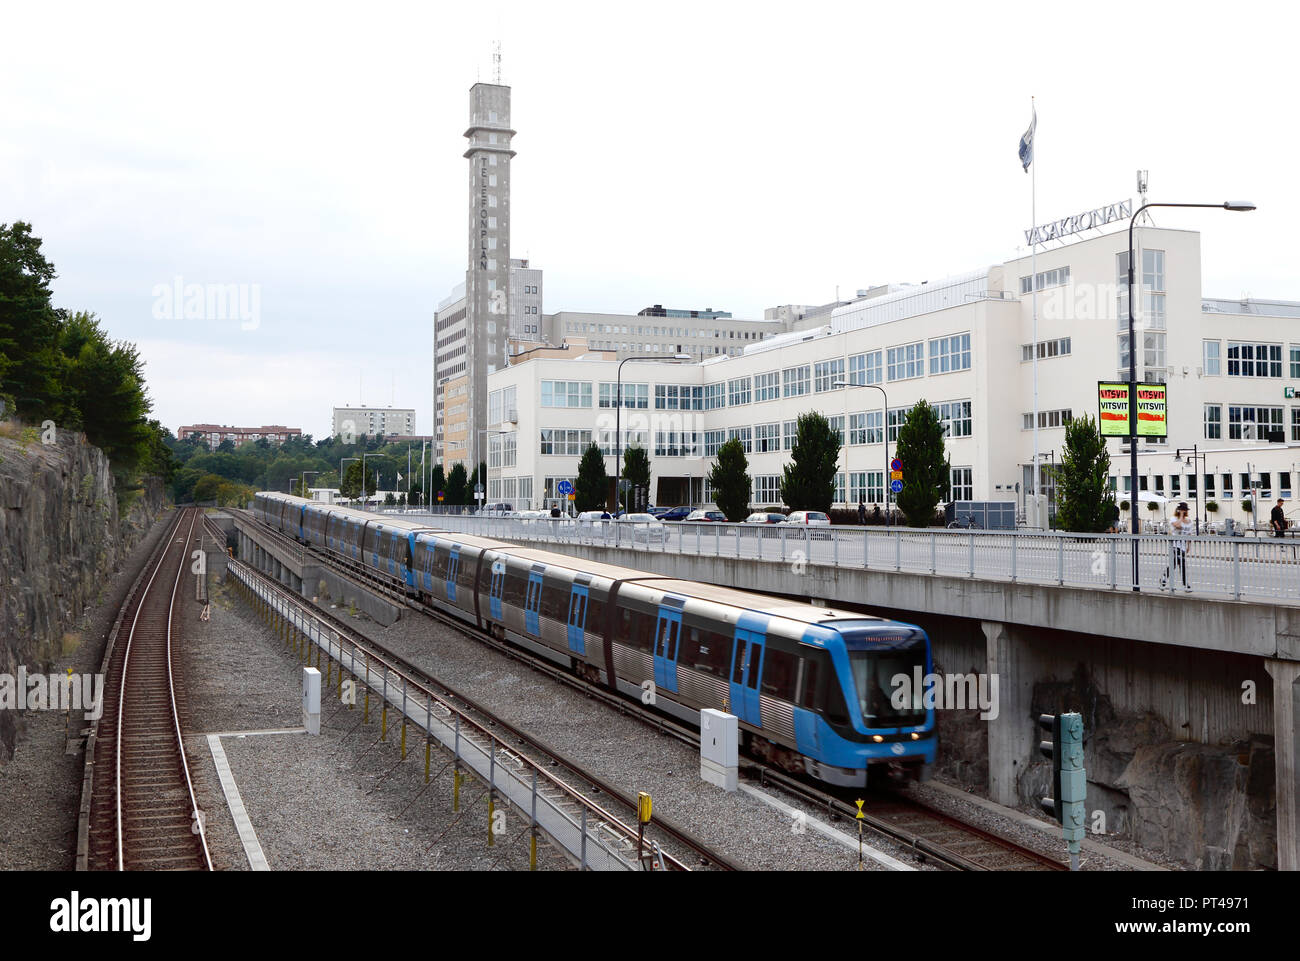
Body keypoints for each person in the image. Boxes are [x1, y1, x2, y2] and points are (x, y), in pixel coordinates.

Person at [1160, 502, 1193, 592]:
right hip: (1174, 545)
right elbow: (1177, 526)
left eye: (1185, 510)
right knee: (1181, 564)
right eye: (1182, 510)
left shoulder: (1189, 521)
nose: (1184, 511)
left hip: (1182, 546)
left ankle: (1163, 578)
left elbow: (1189, 534)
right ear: (1178, 510)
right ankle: (1185, 584)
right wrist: (1181, 516)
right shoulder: (1173, 519)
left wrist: (1188, 546)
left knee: (1174, 564)